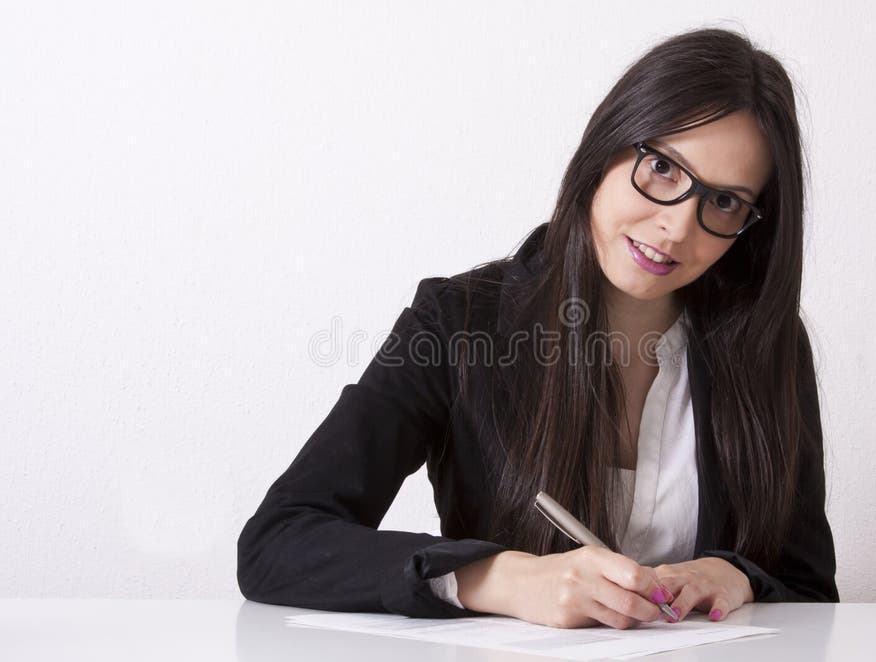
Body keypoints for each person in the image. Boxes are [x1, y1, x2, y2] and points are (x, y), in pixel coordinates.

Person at [237, 27, 839, 630]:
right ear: (604, 147)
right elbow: (278, 542)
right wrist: (501, 579)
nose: (678, 228)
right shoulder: (456, 323)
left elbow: (810, 590)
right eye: (662, 167)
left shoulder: (768, 345)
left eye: (726, 203)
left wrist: (740, 576)